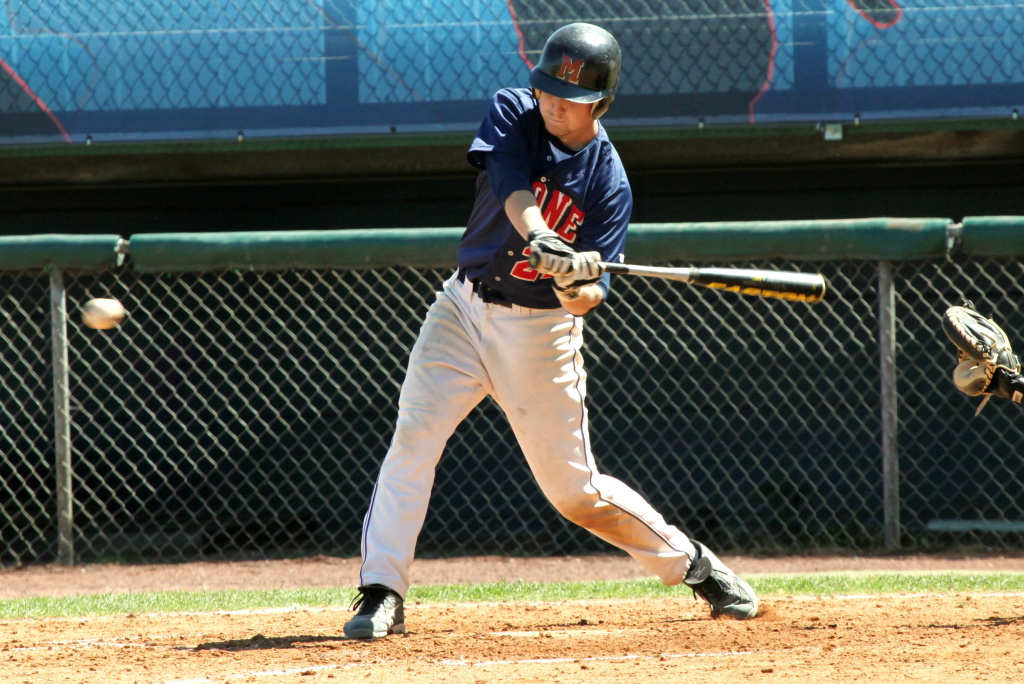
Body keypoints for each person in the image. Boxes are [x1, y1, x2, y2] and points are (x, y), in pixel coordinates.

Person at [343, 22, 758, 639]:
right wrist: (542, 234)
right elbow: (510, 184)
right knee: (415, 438)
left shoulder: (608, 182)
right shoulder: (516, 109)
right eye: (548, 90)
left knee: (574, 492)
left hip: (539, 332)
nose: (552, 103)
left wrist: (573, 279)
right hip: (462, 307)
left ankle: (693, 565)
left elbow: (588, 299)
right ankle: (381, 591)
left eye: (569, 98)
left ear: (602, 103)